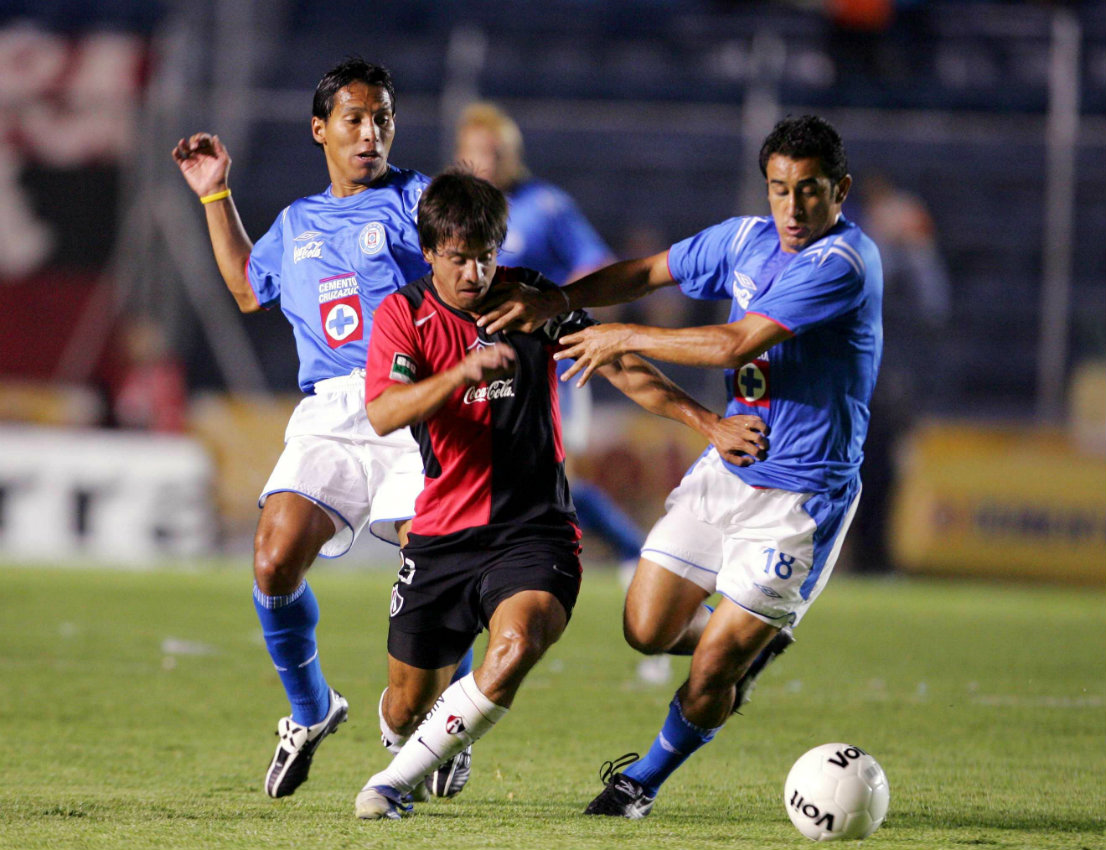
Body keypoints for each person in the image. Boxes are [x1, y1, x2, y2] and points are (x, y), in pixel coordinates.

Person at [479, 115, 883, 817]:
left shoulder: (844, 263)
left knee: (712, 665)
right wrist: (561, 300)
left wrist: (620, 335)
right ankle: (741, 647)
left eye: (810, 192)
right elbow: (642, 272)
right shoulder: (744, 239)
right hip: (729, 462)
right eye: (780, 190)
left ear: (840, 190)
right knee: (646, 628)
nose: (792, 208)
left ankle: (643, 781)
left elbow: (736, 342)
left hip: (801, 499)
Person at [354, 168, 770, 820]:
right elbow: (383, 411)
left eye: (486, 256)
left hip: (534, 531)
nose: (473, 273)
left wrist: (708, 423)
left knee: (516, 646)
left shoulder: (531, 299)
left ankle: (394, 783)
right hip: (441, 532)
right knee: (407, 706)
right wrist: (461, 372)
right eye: (458, 259)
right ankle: (428, 739)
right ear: (429, 251)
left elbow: (622, 366)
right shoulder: (403, 315)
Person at [171, 58, 472, 801]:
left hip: (411, 405)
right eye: (355, 119)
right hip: (331, 414)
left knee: (435, 566)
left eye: (383, 119)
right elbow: (247, 288)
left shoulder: (416, 200)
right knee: (273, 560)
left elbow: (470, 263)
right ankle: (311, 711)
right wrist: (215, 193)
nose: (371, 133)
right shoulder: (297, 223)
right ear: (321, 130)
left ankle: (449, 725)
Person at [455, 102, 647, 597]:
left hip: (544, 367)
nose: (486, 162)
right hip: (479, 368)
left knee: (550, 472)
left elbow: (596, 264)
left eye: (495, 152)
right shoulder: (457, 213)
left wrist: (551, 304)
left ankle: (631, 550)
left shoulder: (545, 205)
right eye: (476, 152)